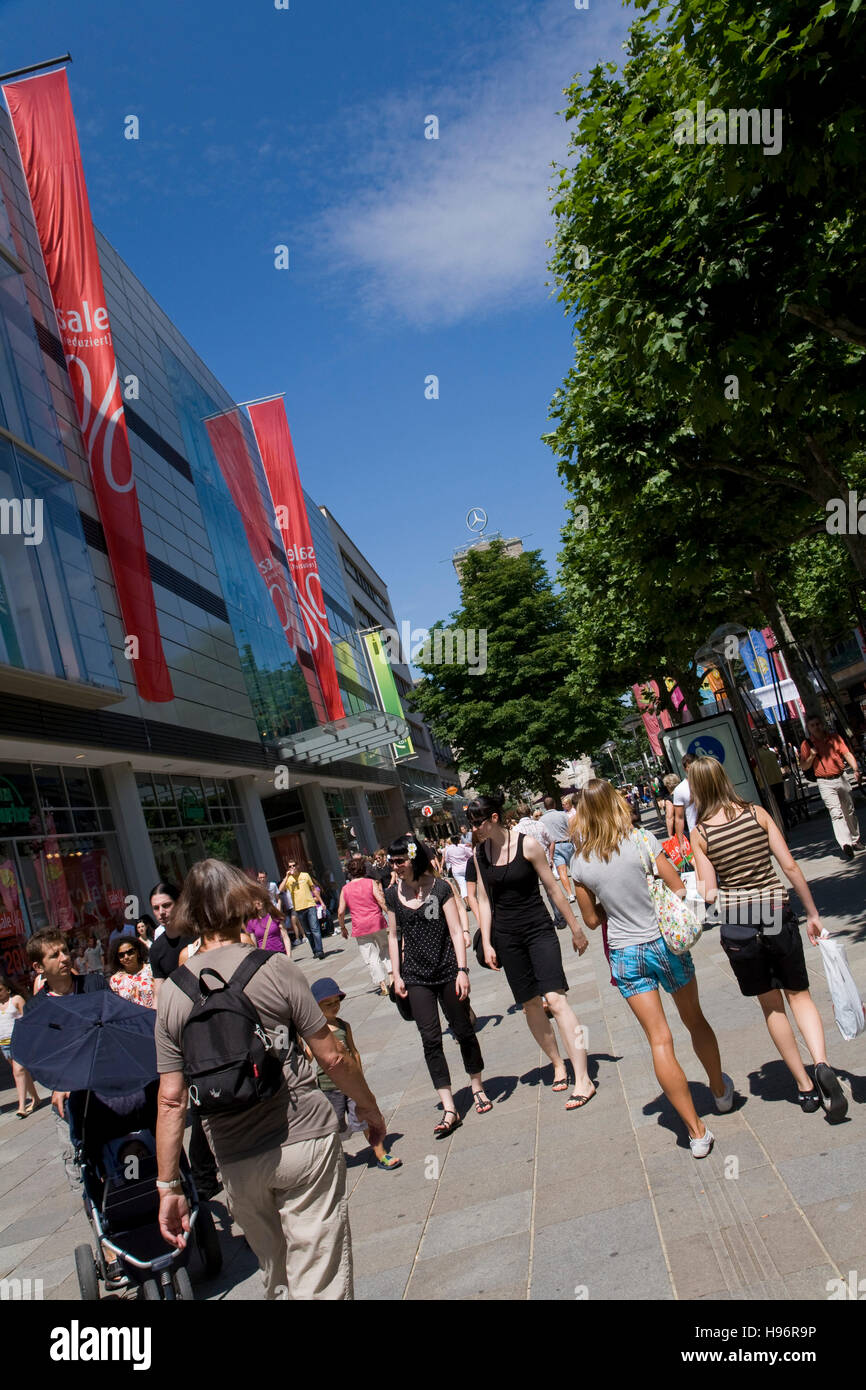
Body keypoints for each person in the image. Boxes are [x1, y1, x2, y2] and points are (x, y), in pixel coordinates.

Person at [154, 859, 386, 1300]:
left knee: (276, 1276)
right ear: (241, 902)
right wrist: (368, 1108)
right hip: (301, 1136)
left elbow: (171, 1100)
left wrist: (168, 1186)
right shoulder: (274, 967)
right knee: (319, 1273)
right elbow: (332, 1057)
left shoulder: (172, 993)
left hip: (235, 1154)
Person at [570, 781, 729, 1157]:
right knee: (694, 1019)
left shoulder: (580, 863)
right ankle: (720, 1092)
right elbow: (677, 888)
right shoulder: (642, 840)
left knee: (659, 1040)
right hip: (663, 943)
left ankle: (695, 1131)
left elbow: (591, 921)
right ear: (615, 804)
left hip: (626, 953)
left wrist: (612, 904)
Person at [688, 756, 848, 1119]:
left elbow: (709, 894)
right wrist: (813, 913)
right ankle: (821, 1063)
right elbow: (789, 864)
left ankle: (804, 1087)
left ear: (696, 789)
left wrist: (702, 888)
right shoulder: (757, 813)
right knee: (799, 995)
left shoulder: (701, 834)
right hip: (776, 913)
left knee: (771, 1004)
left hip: (741, 925)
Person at [470, 794, 596, 1110]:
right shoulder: (479, 854)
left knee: (556, 999)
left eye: (479, 821)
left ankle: (583, 1077)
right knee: (530, 1005)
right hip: (507, 937)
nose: (474, 828)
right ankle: (557, 1063)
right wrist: (486, 942)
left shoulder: (527, 845)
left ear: (495, 817)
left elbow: (553, 887)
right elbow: (484, 901)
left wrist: (576, 927)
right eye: (471, 823)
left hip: (538, 929)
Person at [385, 835, 491, 1135]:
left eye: (400, 861)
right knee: (430, 1039)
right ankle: (448, 1106)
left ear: (414, 859)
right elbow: (393, 937)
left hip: (447, 969)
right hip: (416, 975)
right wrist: (397, 975)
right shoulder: (393, 895)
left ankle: (477, 1086)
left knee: (463, 1030)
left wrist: (462, 969)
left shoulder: (440, 888)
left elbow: (456, 931)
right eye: (392, 863)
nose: (396, 868)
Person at [21, 930, 109, 1189]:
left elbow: (114, 1027)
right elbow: (42, 1057)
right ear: (38, 967)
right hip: (70, 1090)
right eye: (55, 955)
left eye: (64, 950)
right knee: (78, 1162)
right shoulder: (35, 1008)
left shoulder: (94, 986)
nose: (64, 958)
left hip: (107, 1079)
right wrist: (59, 1085)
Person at [149, 880, 220, 1200]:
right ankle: (204, 1177)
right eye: (155, 908)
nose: (162, 913)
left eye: (166, 905)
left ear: (179, 903)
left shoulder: (200, 934)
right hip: (186, 1033)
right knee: (199, 1104)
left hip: (217, 1021)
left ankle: (208, 1171)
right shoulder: (158, 949)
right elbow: (160, 994)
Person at [306, 977, 401, 1170]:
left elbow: (354, 1050)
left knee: (364, 1118)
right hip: (329, 1086)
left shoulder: (343, 1025)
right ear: (316, 1006)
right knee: (333, 1125)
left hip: (351, 1083)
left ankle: (380, 1152)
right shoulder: (315, 1031)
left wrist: (359, 1075)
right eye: (327, 1004)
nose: (334, 1007)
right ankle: (333, 1160)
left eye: (336, 1002)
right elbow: (308, 1055)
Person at [799, 715, 864, 859]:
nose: (816, 727)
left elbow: (846, 753)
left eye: (817, 724)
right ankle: (845, 844)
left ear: (822, 724)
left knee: (849, 810)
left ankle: (855, 839)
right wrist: (811, 756)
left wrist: (855, 769)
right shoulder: (806, 745)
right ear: (808, 729)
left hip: (841, 777)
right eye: (812, 725)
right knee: (836, 813)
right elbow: (803, 766)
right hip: (824, 782)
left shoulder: (834, 738)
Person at [338, 856, 392, 995]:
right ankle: (392, 978)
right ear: (363, 870)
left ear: (350, 872)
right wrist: (392, 917)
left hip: (360, 926)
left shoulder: (345, 889)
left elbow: (340, 911)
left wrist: (343, 927)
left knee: (371, 956)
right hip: (376, 921)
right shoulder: (370, 882)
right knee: (385, 948)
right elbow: (380, 900)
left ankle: (382, 985)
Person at [0, 974, 40, 1117]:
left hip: (17, 1041)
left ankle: (22, 1106)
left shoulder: (16, 1000)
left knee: (18, 1072)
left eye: (0, 990)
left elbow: (27, 1020)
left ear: (8, 989)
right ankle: (35, 1098)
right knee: (22, 1073)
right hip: (4, 1045)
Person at [280, 860, 327, 960]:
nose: (292, 867)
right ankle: (314, 950)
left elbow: (314, 889)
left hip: (310, 905)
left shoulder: (305, 875)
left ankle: (320, 951)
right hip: (298, 908)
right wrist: (286, 876)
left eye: (293, 865)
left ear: (298, 866)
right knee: (308, 932)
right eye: (290, 866)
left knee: (315, 929)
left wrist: (321, 902)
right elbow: (280, 890)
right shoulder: (288, 879)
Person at [540, 794, 576, 903]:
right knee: (574, 869)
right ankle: (582, 890)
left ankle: (570, 894)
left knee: (562, 871)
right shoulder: (563, 815)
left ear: (545, 807)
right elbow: (571, 829)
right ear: (554, 804)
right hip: (567, 843)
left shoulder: (542, 820)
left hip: (554, 846)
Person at [109, 936, 156, 1009]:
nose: (126, 957)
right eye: (121, 955)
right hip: (132, 1019)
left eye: (130, 952)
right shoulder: (115, 980)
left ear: (138, 952)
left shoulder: (152, 969)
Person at [755, 737, 791, 830]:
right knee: (781, 802)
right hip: (777, 780)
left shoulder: (756, 757)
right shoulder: (771, 754)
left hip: (765, 783)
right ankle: (786, 822)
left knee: (770, 806)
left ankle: (776, 824)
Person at [672, 753, 697, 839]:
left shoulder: (710, 781)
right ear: (685, 769)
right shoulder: (680, 789)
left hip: (716, 827)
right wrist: (681, 841)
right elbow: (679, 818)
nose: (693, 770)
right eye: (690, 767)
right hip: (696, 833)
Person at [443, 835, 473, 907]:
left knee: (462, 886)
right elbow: (470, 855)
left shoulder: (448, 849)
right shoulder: (463, 846)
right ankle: (472, 901)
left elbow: (446, 860)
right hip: (466, 868)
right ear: (459, 840)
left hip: (456, 870)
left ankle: (467, 904)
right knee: (470, 885)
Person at [658, 773, 681, 839]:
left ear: (667, 785)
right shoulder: (685, 793)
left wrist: (670, 834)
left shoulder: (669, 799)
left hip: (680, 829)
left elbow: (669, 817)